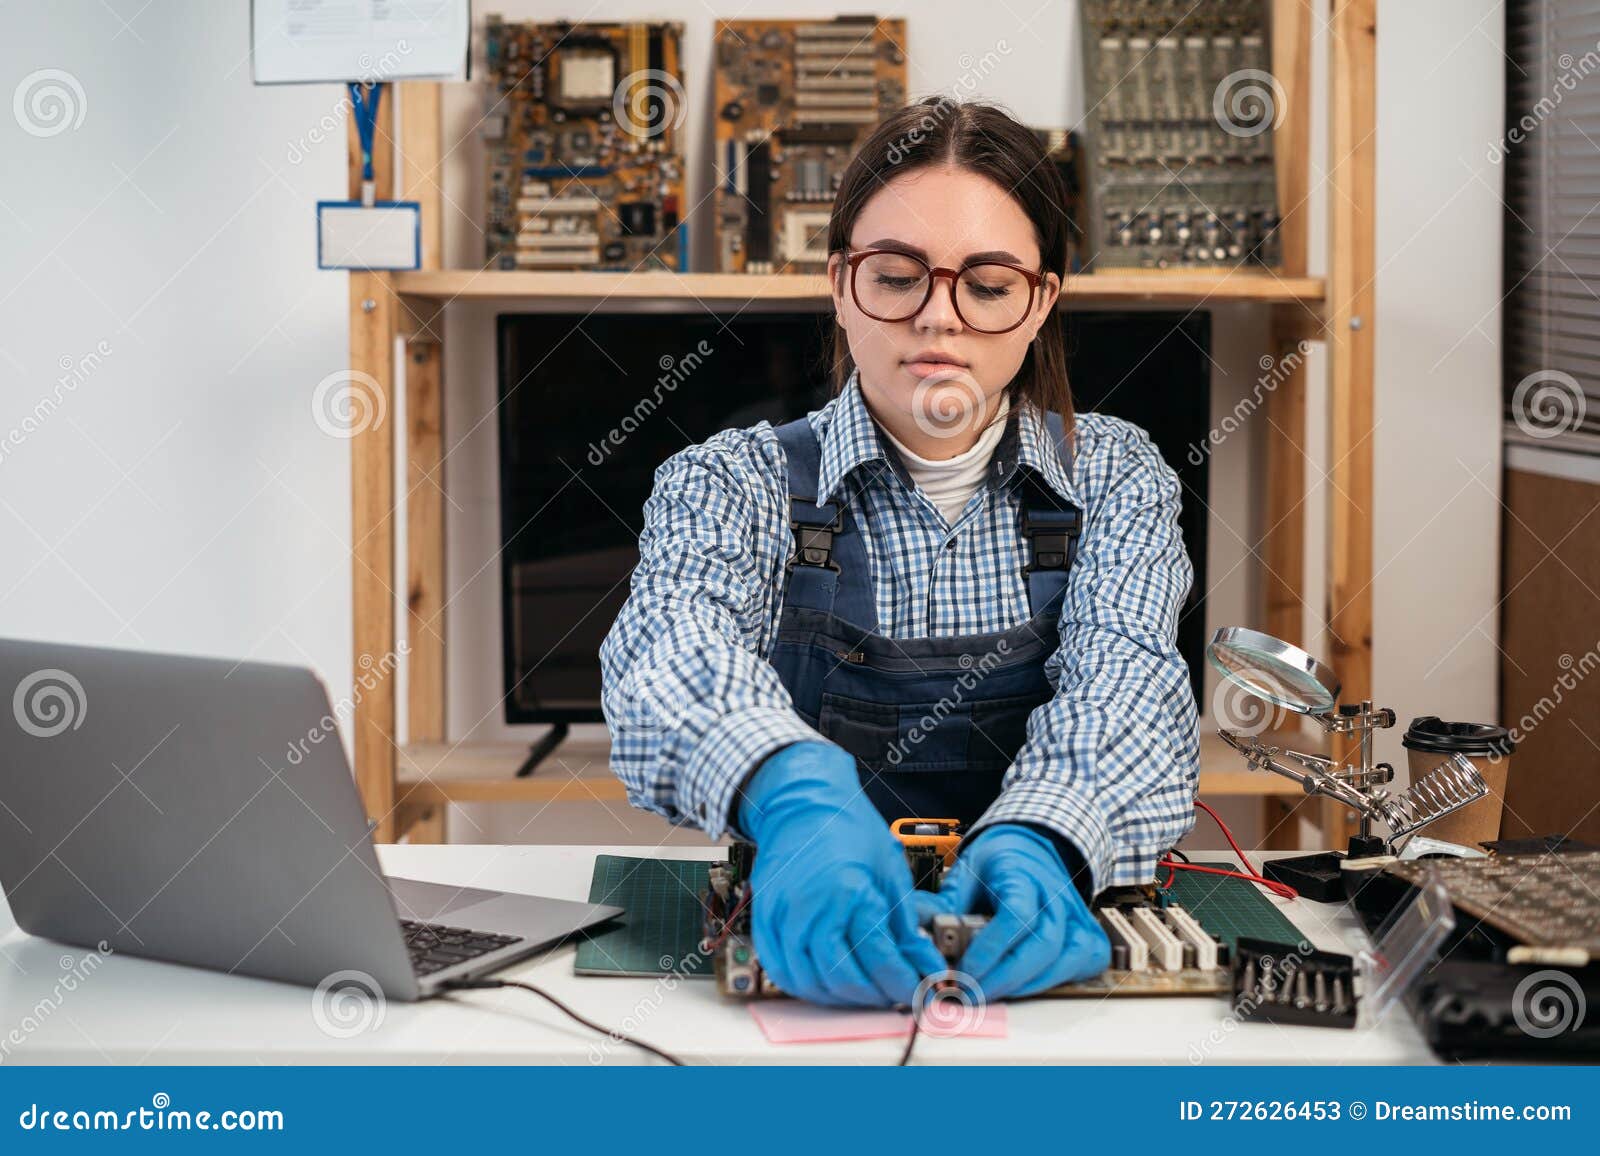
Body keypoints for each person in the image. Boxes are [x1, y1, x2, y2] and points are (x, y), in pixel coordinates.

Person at [600, 98, 1200, 1009]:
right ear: (842, 287)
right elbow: (665, 651)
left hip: (1032, 981)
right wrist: (791, 790)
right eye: (896, 277)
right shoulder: (729, 481)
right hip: (805, 979)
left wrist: (1048, 836)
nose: (939, 320)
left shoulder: (1116, 476)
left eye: (989, 286)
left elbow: (1130, 677)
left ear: (1040, 304)